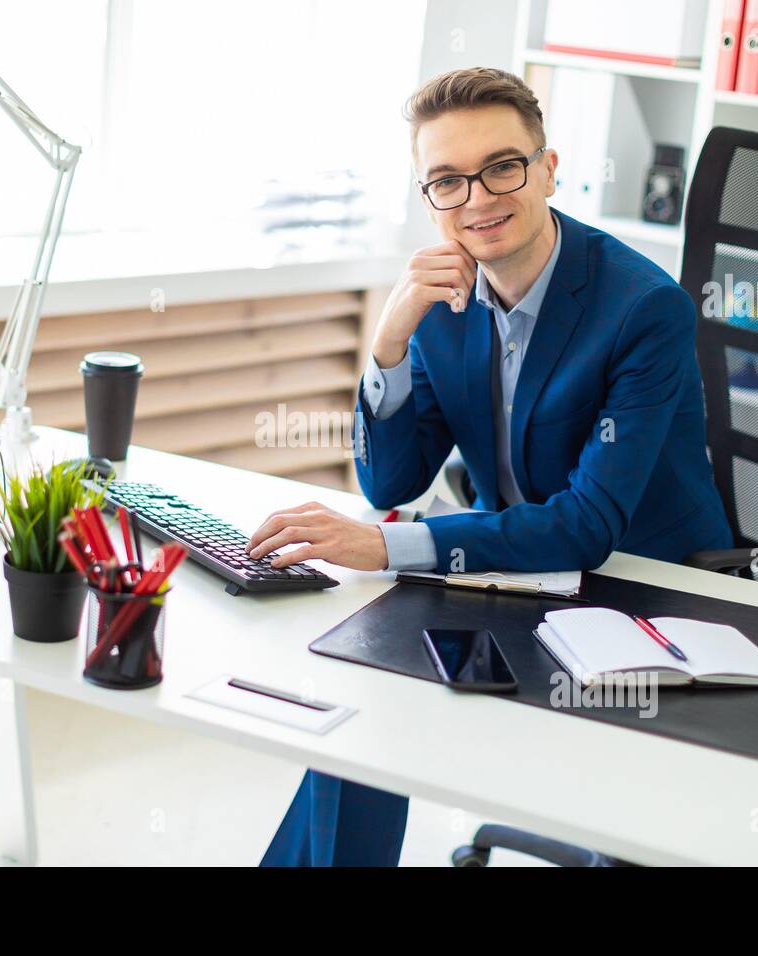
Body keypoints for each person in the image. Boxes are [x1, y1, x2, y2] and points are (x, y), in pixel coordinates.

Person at [247, 67, 732, 867]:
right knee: (359, 698)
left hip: (643, 591)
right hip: (512, 575)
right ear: (428, 196)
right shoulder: (443, 297)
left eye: (502, 167)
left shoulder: (643, 309)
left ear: (546, 168)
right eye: (447, 181)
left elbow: (587, 526)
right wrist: (389, 342)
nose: (477, 199)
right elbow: (389, 483)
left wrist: (386, 547)